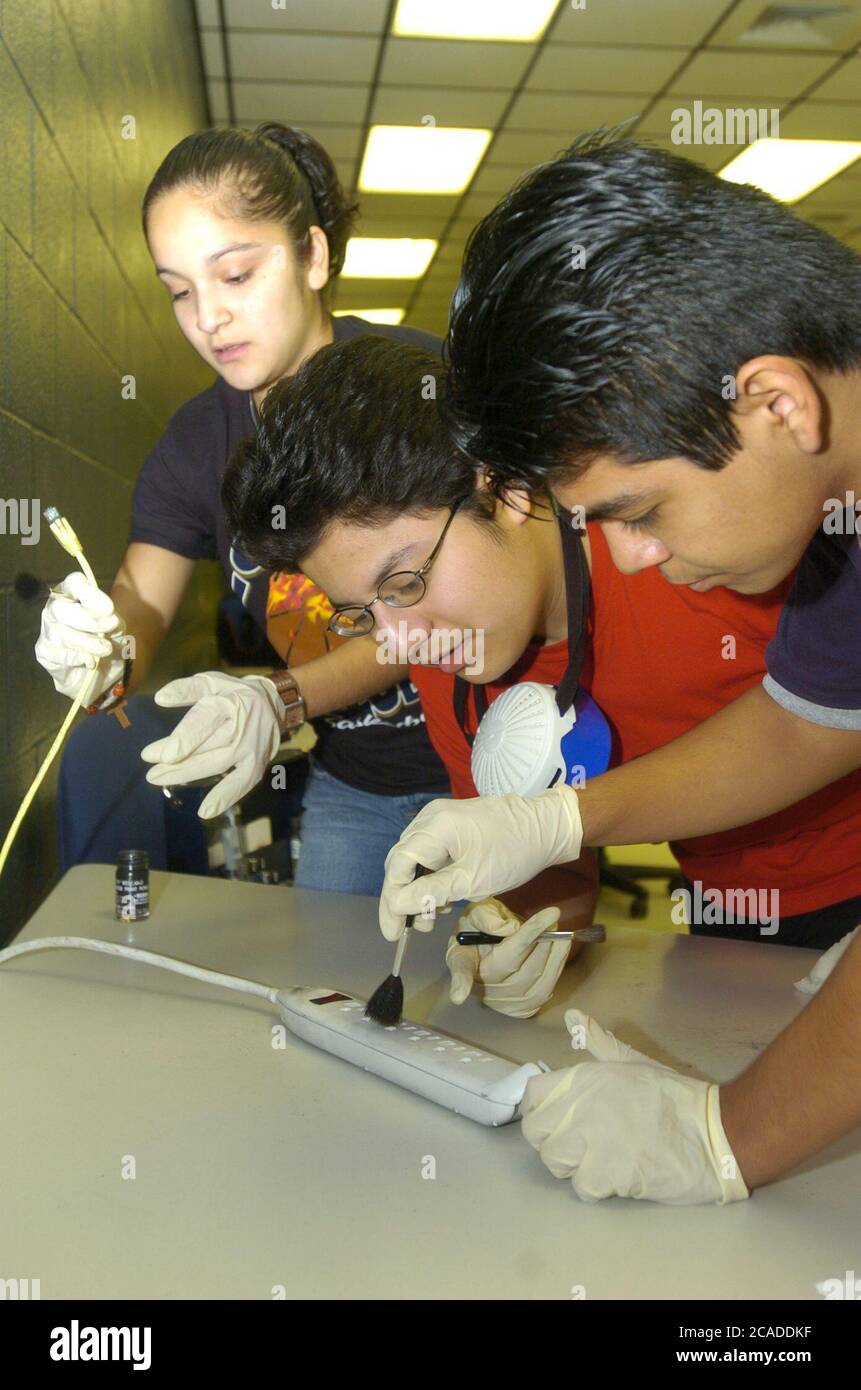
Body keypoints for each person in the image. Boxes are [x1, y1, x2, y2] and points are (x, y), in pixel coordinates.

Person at [375, 135, 861, 1203]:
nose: (632, 556)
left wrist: (726, 1132)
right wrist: (559, 825)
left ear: (777, 403)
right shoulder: (841, 524)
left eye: (640, 512)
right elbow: (806, 721)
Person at [221, 333, 861, 1023]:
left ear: (502, 489)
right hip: (730, 920)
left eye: (405, 581)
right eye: (359, 613)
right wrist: (514, 924)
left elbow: (808, 722)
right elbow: (553, 859)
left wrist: (561, 820)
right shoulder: (456, 667)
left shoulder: (690, 548)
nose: (400, 640)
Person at [34, 123, 450, 893]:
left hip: (492, 766)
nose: (208, 319)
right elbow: (139, 616)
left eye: (235, 275)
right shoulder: (197, 446)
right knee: (336, 995)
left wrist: (284, 695)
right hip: (356, 785)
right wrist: (98, 651)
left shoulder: (416, 384)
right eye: (180, 292)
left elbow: (435, 619)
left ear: (313, 257)